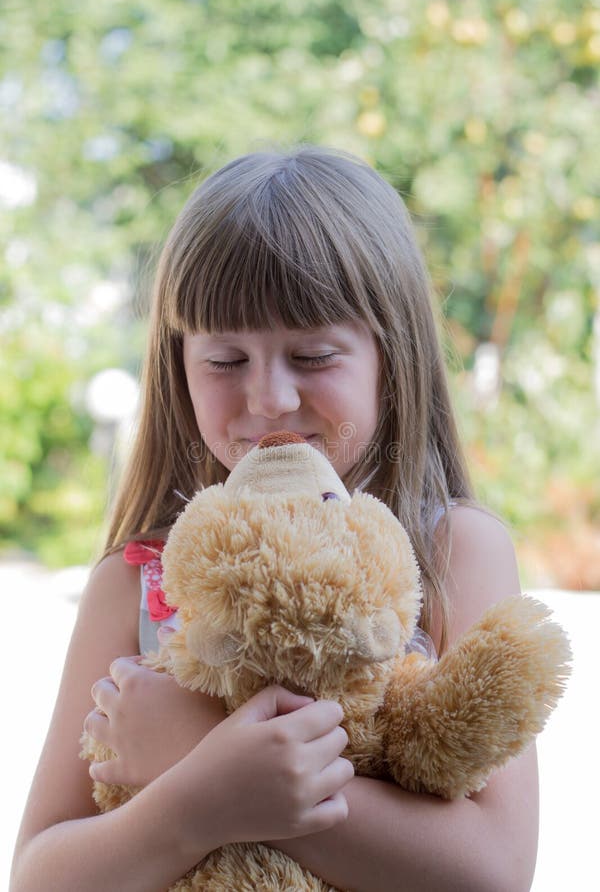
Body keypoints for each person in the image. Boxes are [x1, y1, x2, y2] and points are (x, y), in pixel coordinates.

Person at [10, 146, 538, 892]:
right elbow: (38, 875)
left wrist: (203, 752)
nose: (269, 400)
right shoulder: (133, 583)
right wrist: (194, 808)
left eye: (313, 355)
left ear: (394, 356)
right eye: (225, 361)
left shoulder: (454, 549)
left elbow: (493, 871)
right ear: (178, 368)